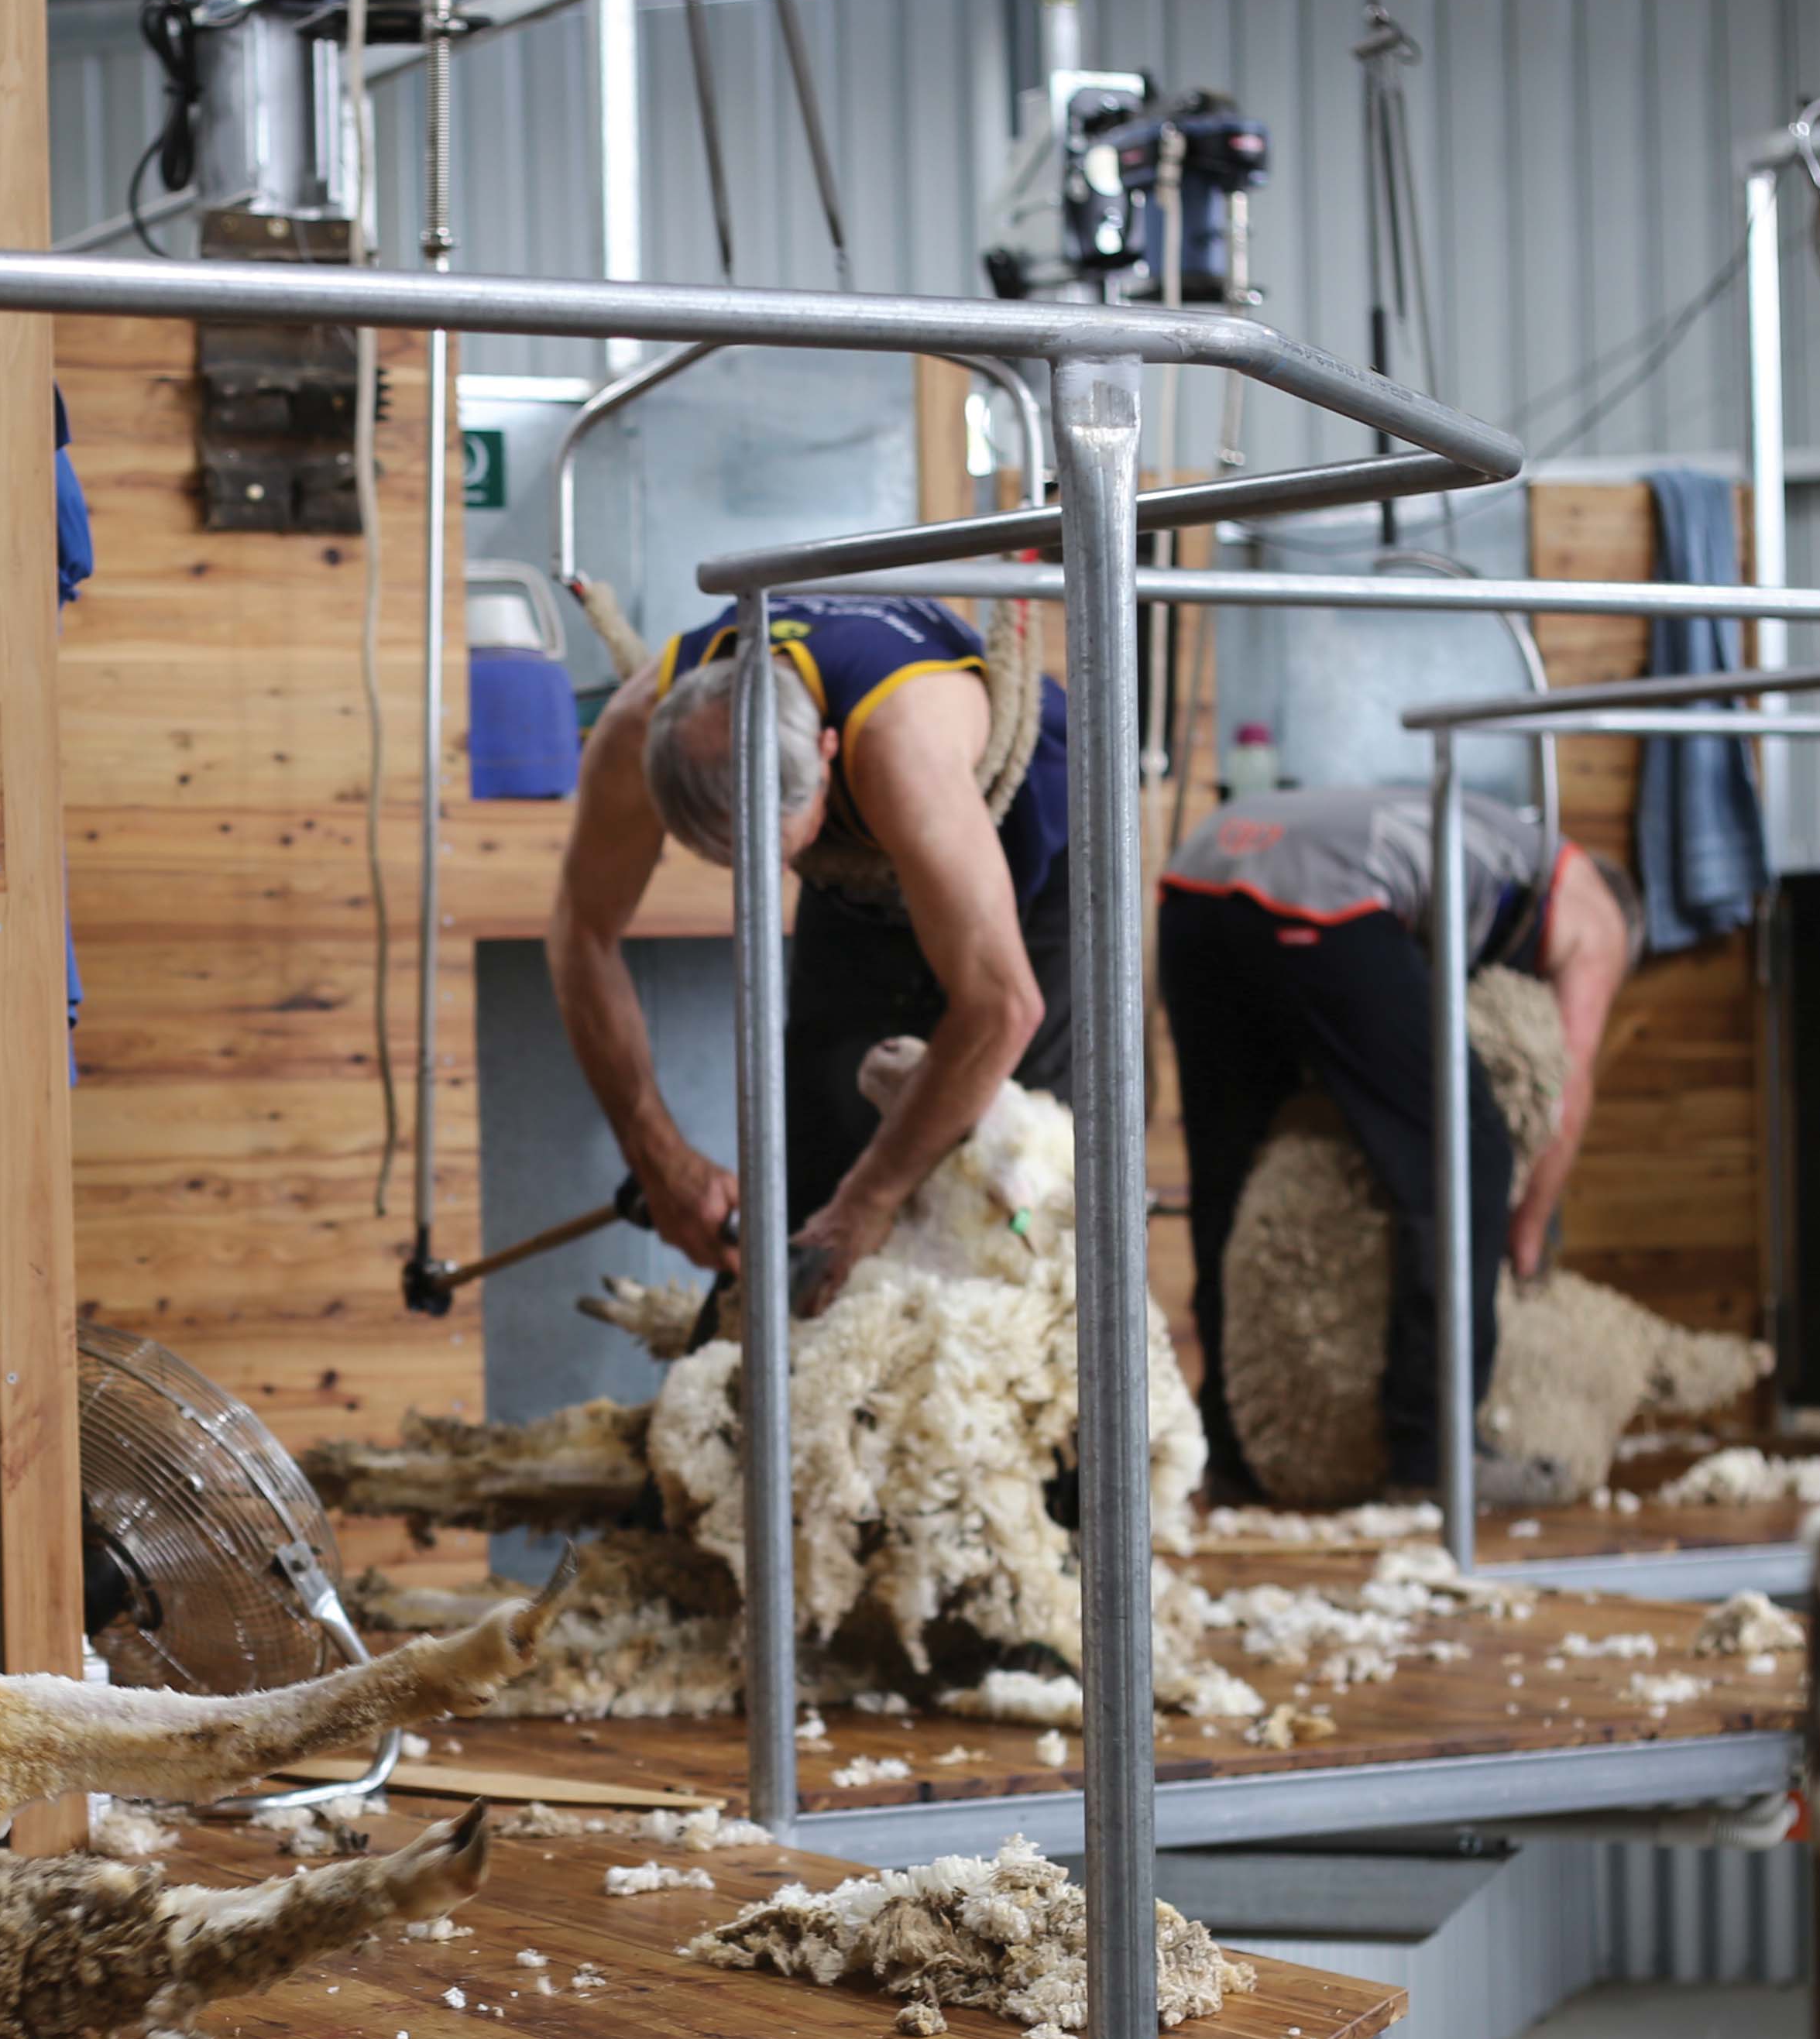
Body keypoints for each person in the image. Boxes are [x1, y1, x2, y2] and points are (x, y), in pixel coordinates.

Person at [546, 592, 1068, 1306]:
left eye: (777, 853)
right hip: (853, 856)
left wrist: (870, 1197)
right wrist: (657, 1157)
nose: (762, 881)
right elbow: (581, 935)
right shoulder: (637, 729)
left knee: (1016, 1178)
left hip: (1030, 835)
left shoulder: (900, 746)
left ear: (826, 752)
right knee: (817, 1177)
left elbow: (1005, 1006)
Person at [1156, 784, 1640, 1502]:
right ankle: (1434, 1458)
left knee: (1233, 1169)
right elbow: (1566, 1086)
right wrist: (1524, 1236)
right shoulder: (1598, 913)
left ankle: (1228, 1450)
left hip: (1196, 882)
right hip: (1329, 898)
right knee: (1468, 1152)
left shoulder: (1485, 833)